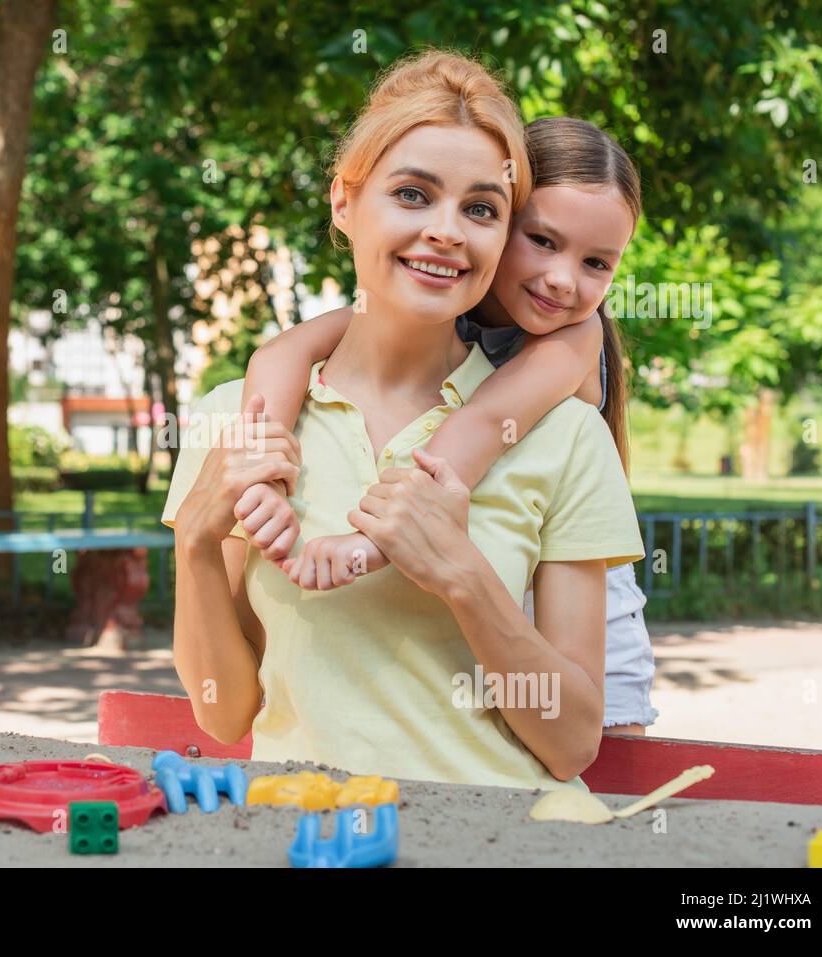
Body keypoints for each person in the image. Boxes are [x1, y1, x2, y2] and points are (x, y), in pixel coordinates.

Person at [162, 49, 644, 789]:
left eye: (481, 209)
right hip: (310, 833)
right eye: (413, 195)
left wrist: (463, 576)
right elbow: (224, 716)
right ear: (344, 202)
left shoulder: (562, 428)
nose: (448, 231)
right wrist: (196, 539)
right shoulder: (236, 415)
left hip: (505, 836)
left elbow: (575, 743)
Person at [239, 116, 659, 734]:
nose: (564, 280)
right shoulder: (437, 300)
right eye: (542, 241)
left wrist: (373, 543)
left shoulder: (574, 335)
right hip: (482, 566)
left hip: (575, 606)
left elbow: (485, 424)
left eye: (597, 262)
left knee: (600, 781)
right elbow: (279, 356)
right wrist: (261, 481)